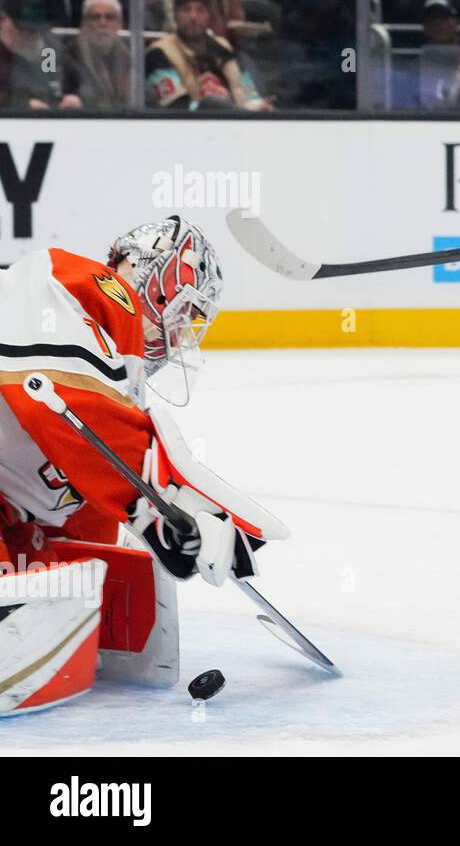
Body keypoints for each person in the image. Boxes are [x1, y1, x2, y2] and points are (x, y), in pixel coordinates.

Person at [0, 217, 288, 714]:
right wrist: (155, 501)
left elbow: (70, 488)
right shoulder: (83, 285)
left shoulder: (107, 367)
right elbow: (64, 405)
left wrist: (156, 517)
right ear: (160, 281)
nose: (182, 335)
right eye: (187, 312)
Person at [145, 0, 270, 110]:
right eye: (186, 10)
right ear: (175, 16)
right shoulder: (158, 52)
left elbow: (248, 93)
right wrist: (217, 111)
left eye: (200, 10)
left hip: (234, 122)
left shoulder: (224, 48)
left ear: (209, 16)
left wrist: (258, 106)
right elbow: (177, 105)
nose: (193, 17)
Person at [61, 0, 130, 110]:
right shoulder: (61, 54)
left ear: (120, 24)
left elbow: (148, 96)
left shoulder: (132, 58)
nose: (102, 23)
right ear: (83, 23)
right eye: (95, 17)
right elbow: (51, 91)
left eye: (110, 17)